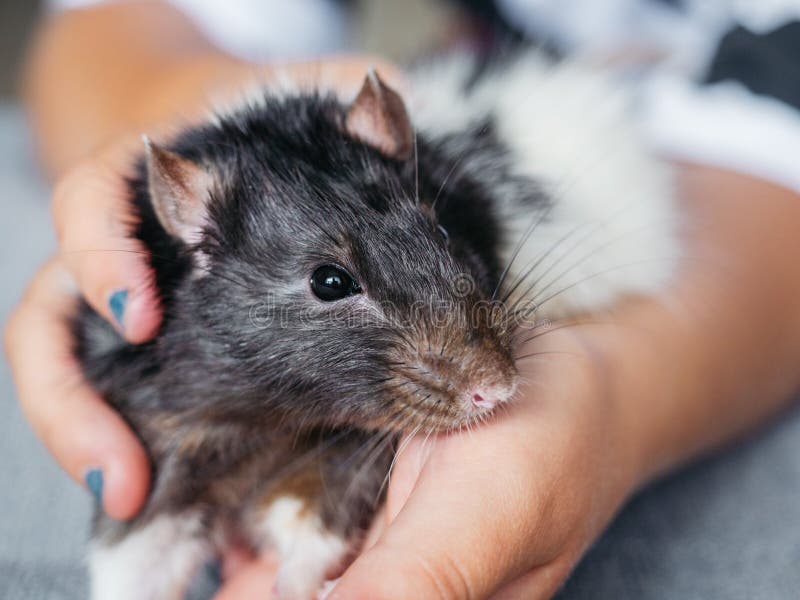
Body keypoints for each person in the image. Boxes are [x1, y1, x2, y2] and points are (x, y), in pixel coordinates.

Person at [6, 0, 800, 598]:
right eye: (330, 286)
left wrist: (618, 397)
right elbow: (117, 28)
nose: (487, 376)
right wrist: (180, 94)